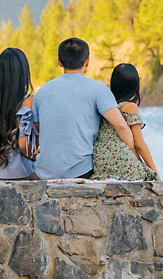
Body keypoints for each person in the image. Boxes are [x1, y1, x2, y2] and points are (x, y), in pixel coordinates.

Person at [33, 38, 134, 179]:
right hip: (81, 171)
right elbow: (121, 127)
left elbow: (39, 130)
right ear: (87, 61)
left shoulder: (41, 92)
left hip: (44, 171)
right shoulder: (98, 89)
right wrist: (133, 155)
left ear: (59, 62)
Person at [92, 63, 158, 181]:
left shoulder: (106, 107)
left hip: (100, 161)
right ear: (134, 85)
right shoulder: (130, 106)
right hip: (122, 159)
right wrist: (155, 171)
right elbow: (139, 144)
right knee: (149, 175)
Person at [0, 48, 37, 180]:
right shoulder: (28, 101)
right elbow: (24, 145)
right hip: (19, 173)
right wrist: (36, 157)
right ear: (23, 72)